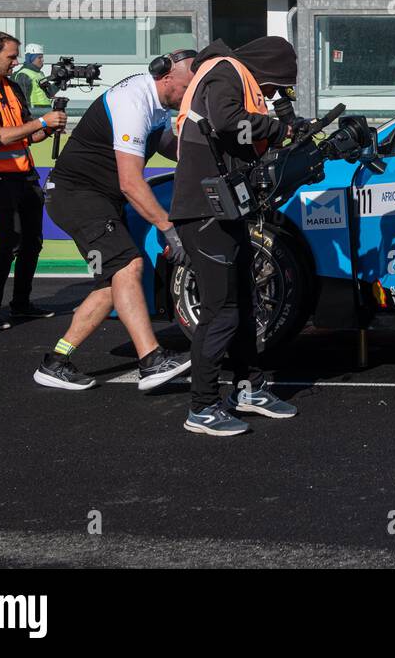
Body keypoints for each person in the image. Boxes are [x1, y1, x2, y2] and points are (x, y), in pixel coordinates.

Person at [33, 51, 199, 392]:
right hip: (76, 195)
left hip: (98, 197)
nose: (188, 96)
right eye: (187, 88)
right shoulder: (133, 102)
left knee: (114, 284)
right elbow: (131, 183)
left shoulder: (157, 103)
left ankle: (56, 362)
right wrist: (169, 230)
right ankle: (151, 360)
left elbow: (168, 144)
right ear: (166, 77)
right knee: (128, 264)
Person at [170, 37, 301, 436]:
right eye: (275, 86)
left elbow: (237, 134)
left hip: (225, 208)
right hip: (203, 210)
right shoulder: (226, 70)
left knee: (244, 302)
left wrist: (285, 129)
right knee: (222, 309)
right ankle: (202, 407)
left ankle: (248, 389)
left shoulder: (235, 75)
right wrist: (278, 128)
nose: (273, 95)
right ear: (267, 69)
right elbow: (227, 120)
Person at [0, 31, 66, 331]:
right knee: (9, 242)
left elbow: (26, 136)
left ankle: (21, 304)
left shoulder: (13, 87)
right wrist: (42, 121)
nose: (16, 62)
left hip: (25, 174)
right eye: (11, 56)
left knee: (32, 243)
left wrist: (48, 127)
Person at [12, 44, 50, 110]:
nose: (42, 60)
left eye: (42, 57)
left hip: (45, 110)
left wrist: (58, 83)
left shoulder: (40, 73)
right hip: (34, 112)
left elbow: (49, 93)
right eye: (39, 58)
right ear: (30, 59)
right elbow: (22, 99)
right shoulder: (23, 74)